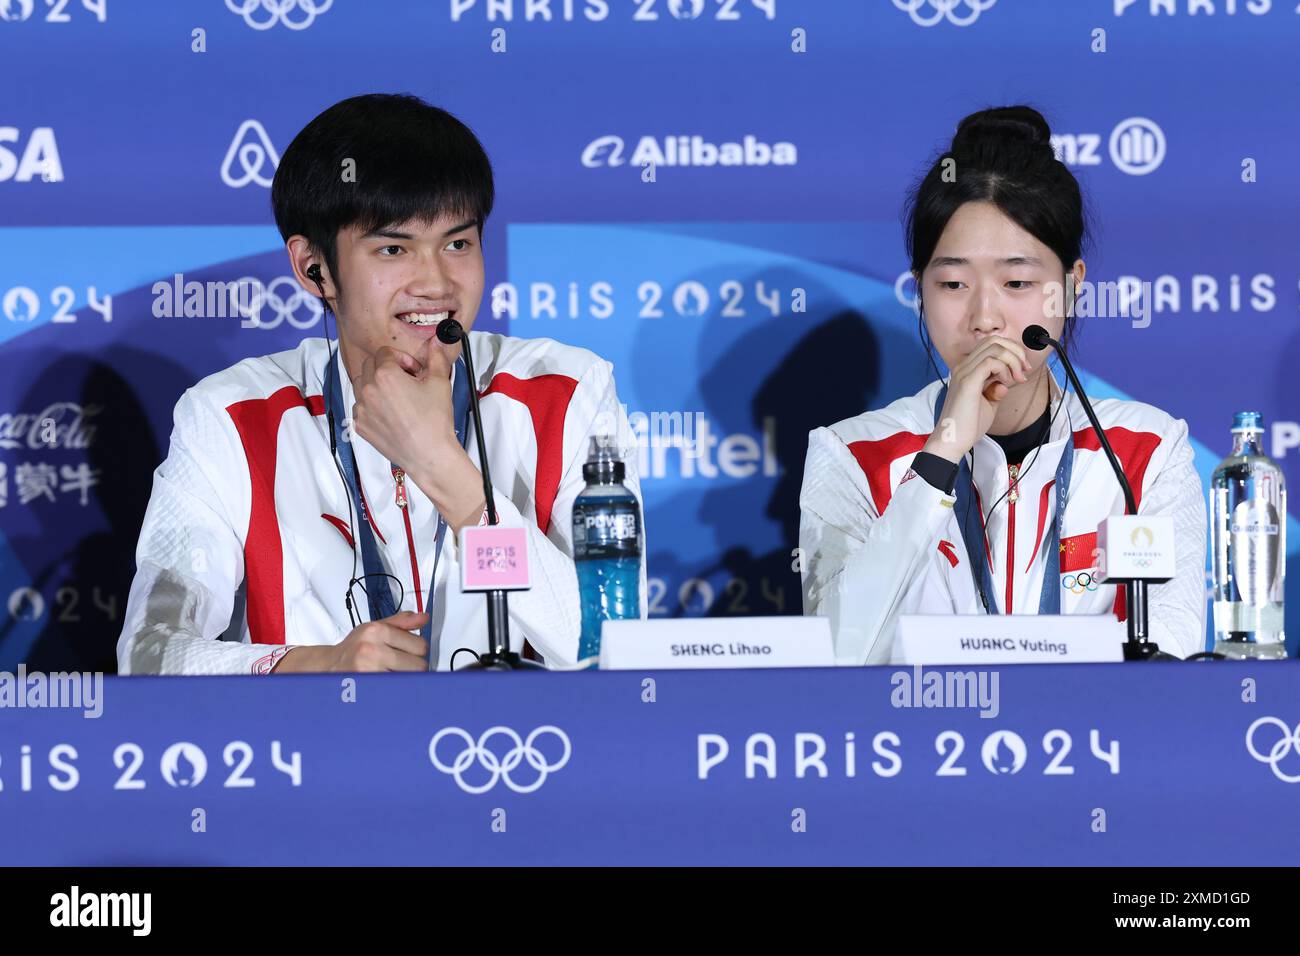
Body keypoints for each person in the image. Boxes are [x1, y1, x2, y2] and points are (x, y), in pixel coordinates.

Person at [117, 93, 644, 674]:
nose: (436, 281)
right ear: (313, 267)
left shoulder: (565, 392)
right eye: (394, 248)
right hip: (316, 754)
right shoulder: (233, 417)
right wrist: (317, 665)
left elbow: (608, 651)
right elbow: (150, 654)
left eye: (458, 244)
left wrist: (445, 471)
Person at [798, 105, 1205, 664]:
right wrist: (941, 453)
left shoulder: (1143, 453)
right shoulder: (851, 453)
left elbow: (1171, 666)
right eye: (954, 283)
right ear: (920, 288)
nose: (985, 316)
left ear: (1070, 286)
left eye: (1017, 281)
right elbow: (840, 658)